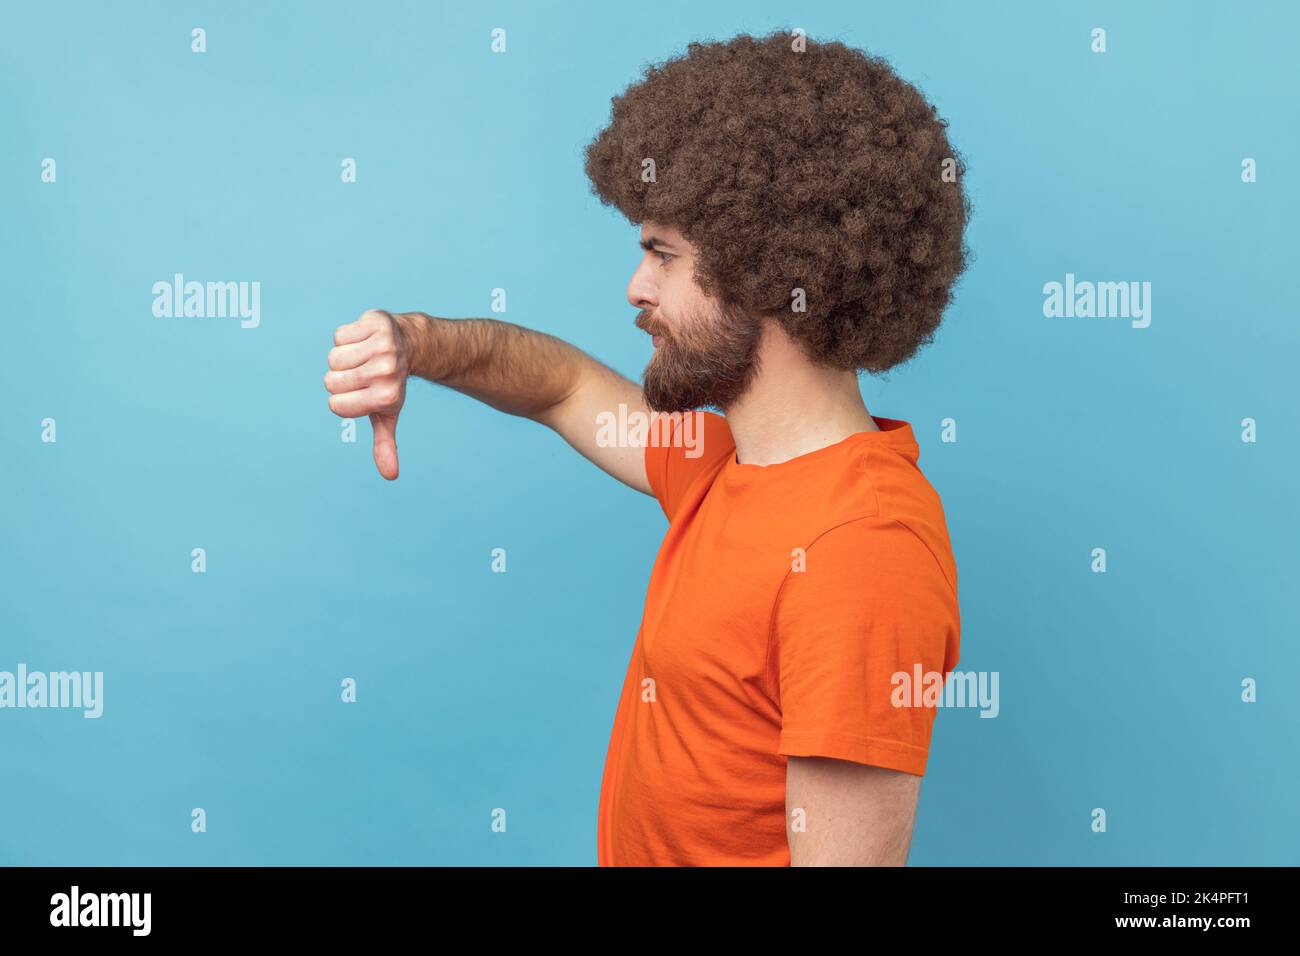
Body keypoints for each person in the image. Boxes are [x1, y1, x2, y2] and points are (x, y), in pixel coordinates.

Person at [323, 30, 970, 865]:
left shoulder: (859, 549)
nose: (637, 287)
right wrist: (413, 340)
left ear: (767, 269)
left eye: (663, 254)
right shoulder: (722, 463)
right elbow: (559, 383)